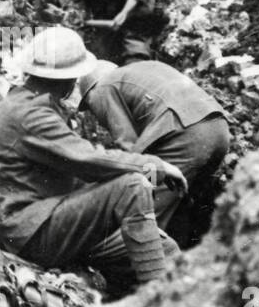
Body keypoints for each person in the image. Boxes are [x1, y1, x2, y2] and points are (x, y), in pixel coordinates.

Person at [0, 26, 186, 297]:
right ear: (66, 79)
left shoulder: (33, 105)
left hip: (48, 222)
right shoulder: (30, 114)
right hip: (30, 232)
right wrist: (154, 166)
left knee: (165, 250)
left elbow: (81, 168)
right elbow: (88, 160)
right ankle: (160, 302)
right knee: (132, 186)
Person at [77, 59, 230, 247]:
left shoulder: (101, 89)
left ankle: (142, 271)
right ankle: (181, 262)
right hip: (218, 129)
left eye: (90, 108)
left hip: (184, 136)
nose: (96, 116)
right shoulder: (142, 69)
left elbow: (128, 144)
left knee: (145, 206)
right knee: (180, 204)